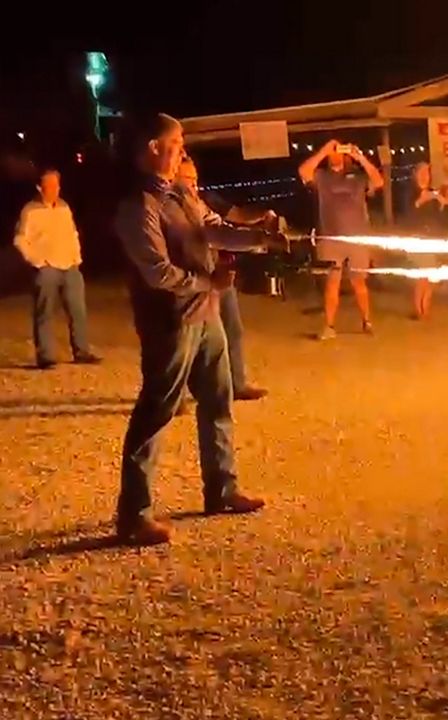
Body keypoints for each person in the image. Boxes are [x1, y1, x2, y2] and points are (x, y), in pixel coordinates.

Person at [114, 112, 273, 546]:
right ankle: (134, 514)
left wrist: (261, 237)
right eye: (176, 141)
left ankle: (221, 489)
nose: (182, 149)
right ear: (152, 148)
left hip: (206, 317)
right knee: (157, 411)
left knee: (218, 401)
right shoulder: (137, 207)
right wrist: (209, 283)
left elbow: (215, 230)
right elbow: (157, 272)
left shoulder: (182, 193)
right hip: (170, 323)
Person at [175, 156, 271, 400]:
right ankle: (175, 397)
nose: (194, 185)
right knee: (185, 340)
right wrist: (258, 238)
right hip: (191, 280)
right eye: (188, 179)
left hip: (216, 273)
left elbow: (225, 228)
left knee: (230, 330)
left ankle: (233, 385)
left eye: (195, 179)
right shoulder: (168, 209)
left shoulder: (202, 203)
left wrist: (260, 235)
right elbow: (212, 235)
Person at [12, 167, 102, 369]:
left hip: (69, 266)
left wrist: (76, 258)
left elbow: (72, 234)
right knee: (45, 311)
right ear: (39, 187)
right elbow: (20, 239)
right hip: (47, 268)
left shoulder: (63, 207)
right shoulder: (30, 211)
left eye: (56, 185)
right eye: (49, 185)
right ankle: (45, 355)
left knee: (78, 311)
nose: (55, 189)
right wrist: (37, 261)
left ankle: (82, 350)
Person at [298, 139, 385, 340]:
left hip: (357, 239)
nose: (335, 155)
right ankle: (329, 326)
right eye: (333, 152)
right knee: (332, 283)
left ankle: (367, 321)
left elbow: (378, 181)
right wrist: (323, 150)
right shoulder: (321, 177)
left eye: (339, 151)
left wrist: (360, 157)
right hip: (330, 238)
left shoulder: (357, 177)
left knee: (359, 283)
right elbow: (303, 172)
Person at [401, 161, 448, 320]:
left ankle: (426, 308)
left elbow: (447, 203)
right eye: (421, 172)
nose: (425, 175)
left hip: (432, 239)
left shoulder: (433, 193)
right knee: (421, 277)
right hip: (416, 240)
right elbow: (412, 208)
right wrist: (426, 198)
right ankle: (419, 310)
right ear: (415, 175)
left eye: (427, 172)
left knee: (430, 277)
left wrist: (447, 197)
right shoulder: (410, 193)